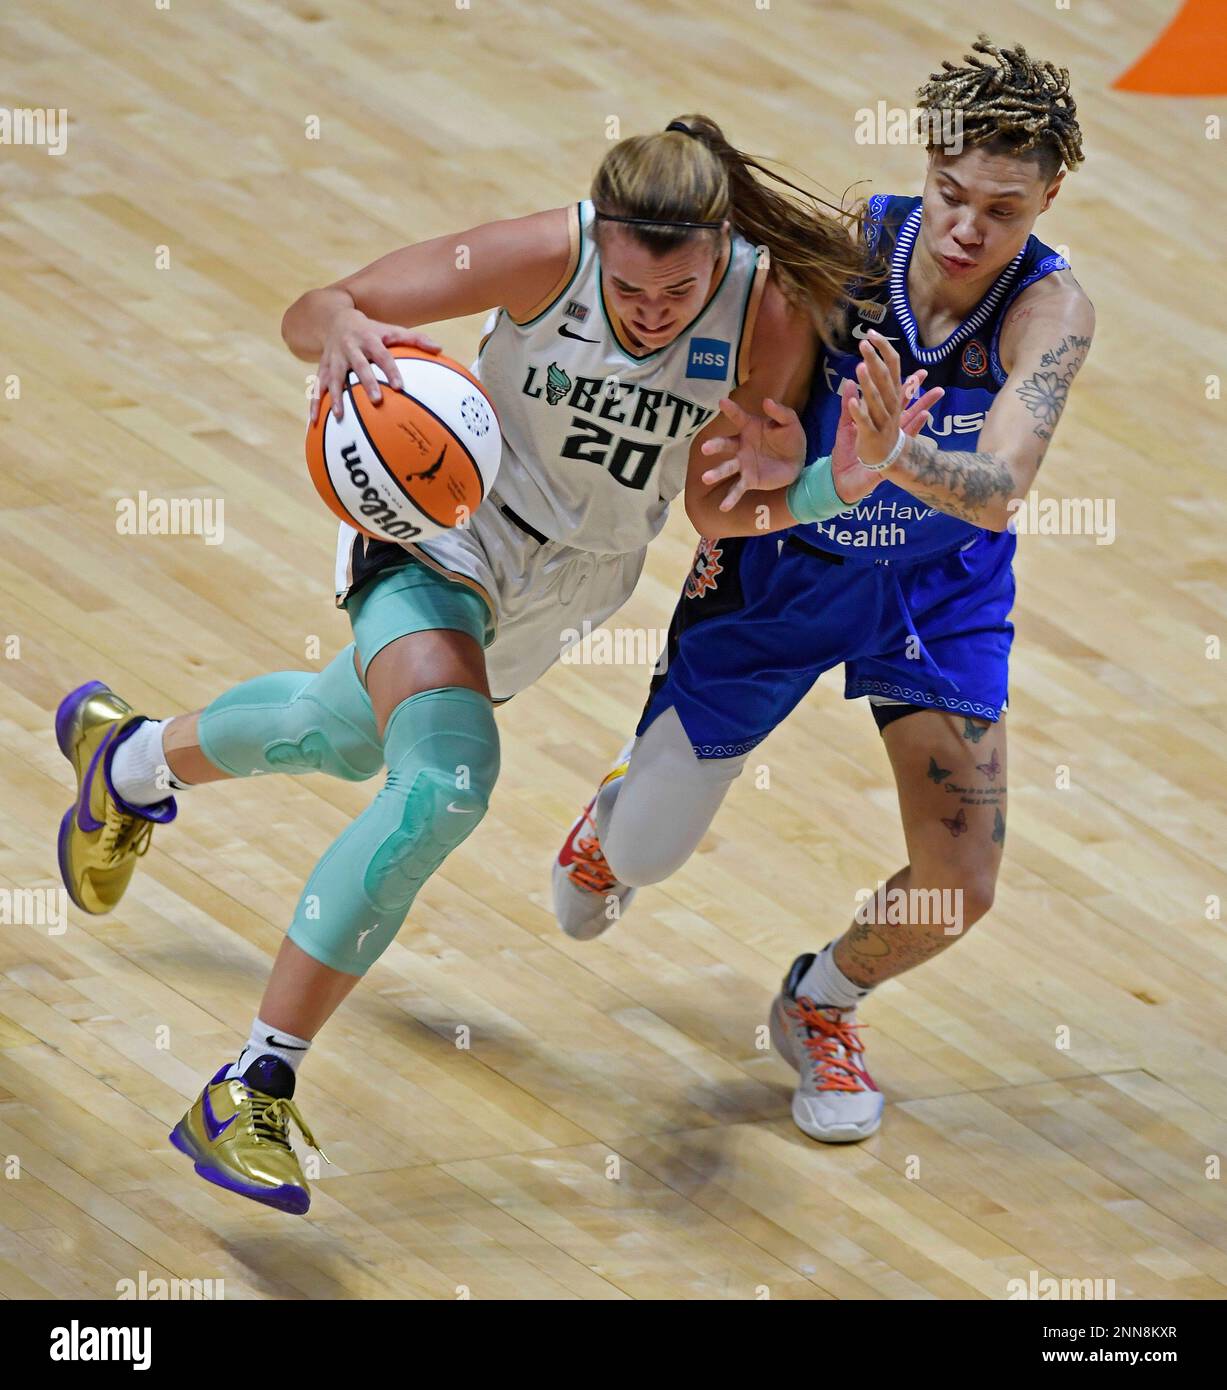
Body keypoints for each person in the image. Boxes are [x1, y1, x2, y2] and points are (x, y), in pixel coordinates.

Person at [54, 115, 884, 1212]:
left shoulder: (768, 306)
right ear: (600, 243)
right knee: (445, 782)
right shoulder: (548, 252)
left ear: (718, 251)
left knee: (341, 732)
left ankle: (132, 762)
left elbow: (711, 507)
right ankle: (255, 1078)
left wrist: (827, 480)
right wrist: (342, 331)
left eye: (674, 291)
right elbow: (314, 310)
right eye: (630, 288)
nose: (649, 311)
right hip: (441, 532)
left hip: (565, 588)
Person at [553, 37, 1095, 1144]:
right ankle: (612, 822)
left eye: (1004, 208)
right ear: (925, 165)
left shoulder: (1053, 311)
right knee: (642, 858)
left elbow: (996, 490)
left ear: (1049, 196)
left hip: (939, 591)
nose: (967, 228)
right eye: (952, 193)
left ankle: (822, 1000)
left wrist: (893, 455)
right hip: (788, 574)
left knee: (962, 880)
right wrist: (751, 447)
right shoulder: (850, 255)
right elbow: (745, 406)